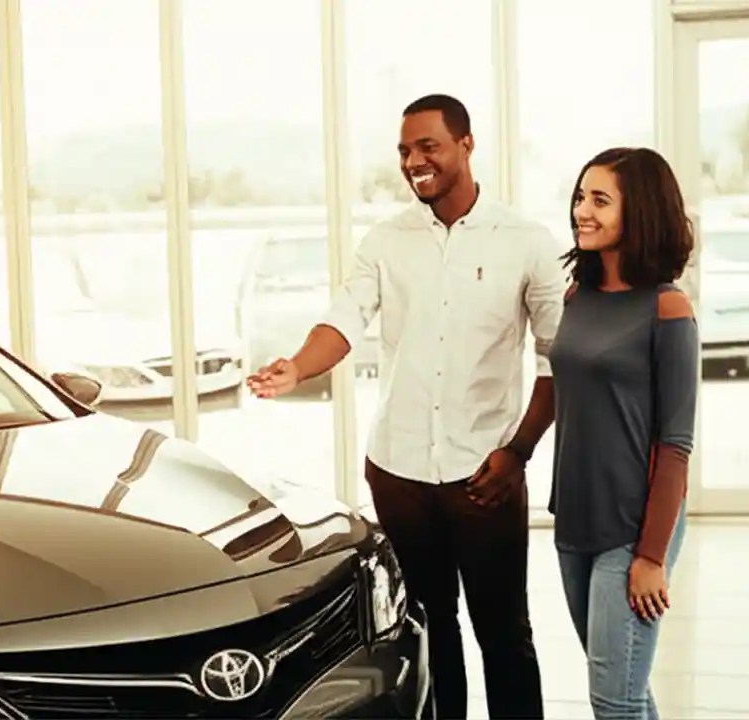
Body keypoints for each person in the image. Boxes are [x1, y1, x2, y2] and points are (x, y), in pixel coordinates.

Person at [248, 93, 566, 719]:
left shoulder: (526, 242)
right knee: (426, 628)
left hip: (486, 475)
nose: (414, 161)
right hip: (398, 473)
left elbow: (557, 362)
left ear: (466, 146)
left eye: (428, 147)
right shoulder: (385, 242)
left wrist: (518, 453)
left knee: (504, 634)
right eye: (404, 151)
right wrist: (297, 366)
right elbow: (343, 322)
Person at [548, 147, 697, 720]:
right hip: (576, 514)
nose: (582, 210)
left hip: (635, 525)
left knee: (613, 700)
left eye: (600, 200)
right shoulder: (576, 296)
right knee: (624, 688)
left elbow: (676, 444)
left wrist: (652, 555)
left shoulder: (668, 308)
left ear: (641, 212)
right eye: (581, 197)